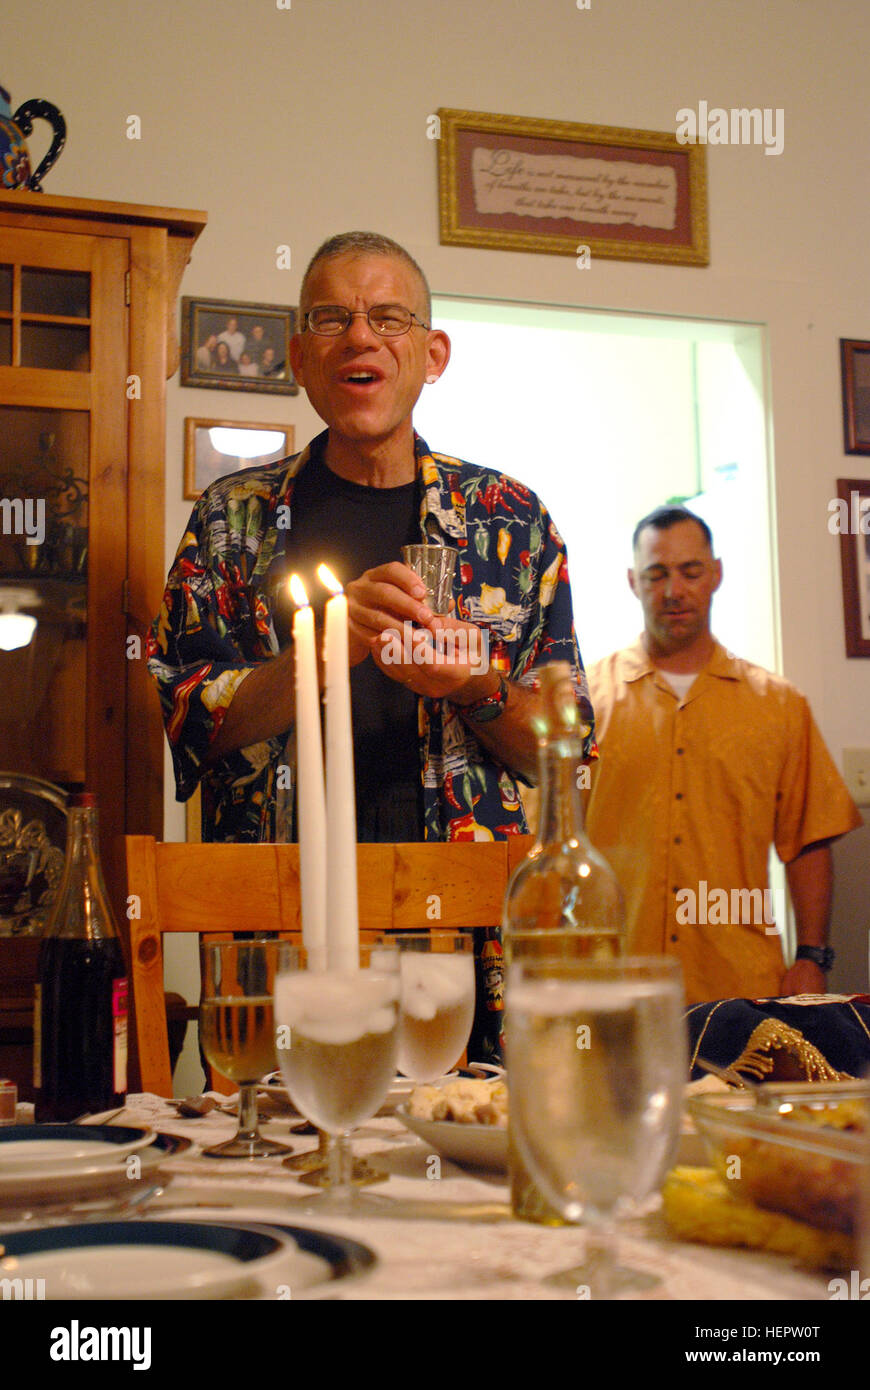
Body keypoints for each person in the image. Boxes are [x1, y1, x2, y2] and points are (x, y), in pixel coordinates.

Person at [148, 230, 593, 843]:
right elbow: (187, 722)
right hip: (277, 897)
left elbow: (565, 749)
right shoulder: (232, 517)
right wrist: (323, 649)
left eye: (388, 318)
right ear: (300, 358)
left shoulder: (512, 519)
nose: (360, 337)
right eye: (332, 319)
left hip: (466, 909)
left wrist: (476, 684)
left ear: (433, 356)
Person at [585, 505, 861, 1005]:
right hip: (613, 991)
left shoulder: (778, 705)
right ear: (632, 581)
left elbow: (808, 840)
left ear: (715, 574)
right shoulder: (585, 703)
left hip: (742, 989)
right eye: (657, 574)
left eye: (691, 571)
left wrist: (812, 957)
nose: (674, 591)